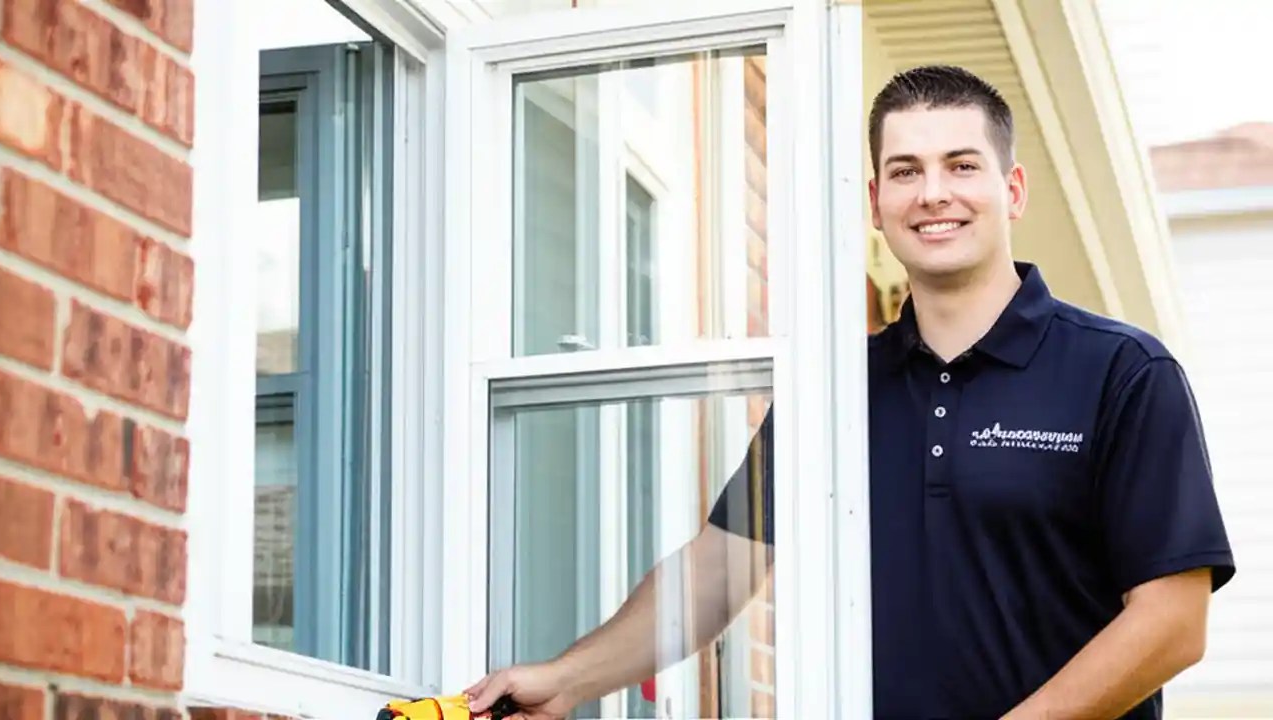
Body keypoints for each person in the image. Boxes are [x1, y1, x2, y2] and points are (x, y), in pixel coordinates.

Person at [466, 64, 1236, 720]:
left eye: (961, 165)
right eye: (906, 171)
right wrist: (561, 681)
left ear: (1014, 189)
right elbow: (716, 573)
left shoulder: (1123, 373)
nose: (933, 193)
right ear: (876, 202)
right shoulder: (833, 394)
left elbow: (1172, 620)